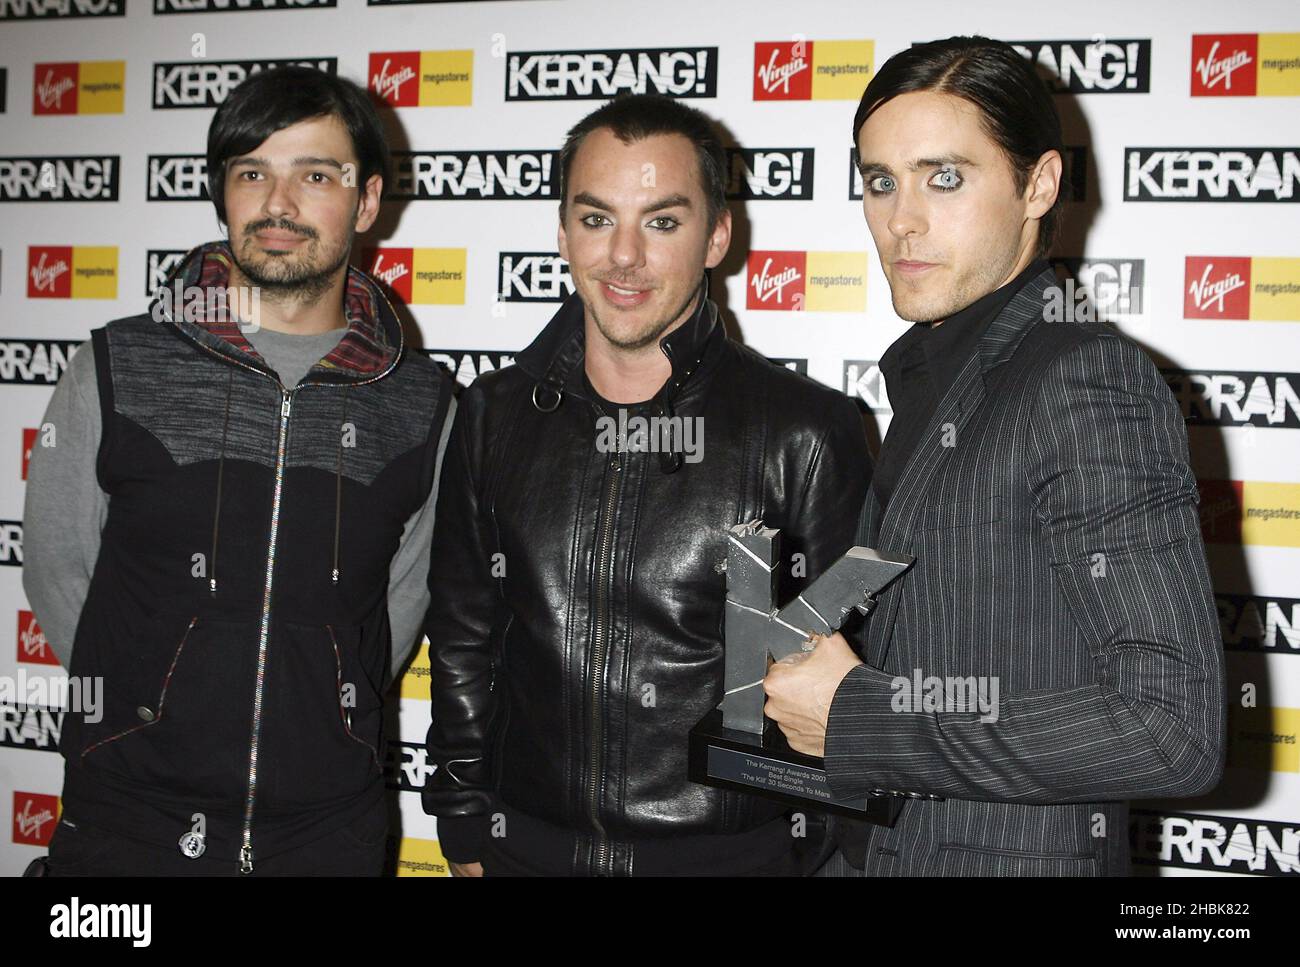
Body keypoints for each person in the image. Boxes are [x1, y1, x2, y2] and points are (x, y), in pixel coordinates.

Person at [762, 36, 1225, 877]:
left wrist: (862, 717)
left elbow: (1173, 729)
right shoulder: (933, 378)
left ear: (1038, 185)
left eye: (945, 177)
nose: (902, 218)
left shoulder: (1083, 380)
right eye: (880, 181)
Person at [421, 93, 871, 876]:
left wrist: (798, 849)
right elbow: (464, 635)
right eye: (597, 220)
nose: (623, 256)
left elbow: (845, 688)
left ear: (717, 237)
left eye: (661, 221)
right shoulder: (493, 414)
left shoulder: (807, 432)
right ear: (562, 232)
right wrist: (463, 821)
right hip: (526, 851)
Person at [23, 66, 455, 875]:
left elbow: (399, 606)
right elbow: (56, 568)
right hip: (126, 825)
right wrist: (152, 701)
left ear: (366, 201)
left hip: (331, 835)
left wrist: (319, 699)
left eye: (314, 175)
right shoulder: (119, 364)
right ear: (223, 192)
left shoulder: (422, 403)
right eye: (252, 172)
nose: (278, 203)